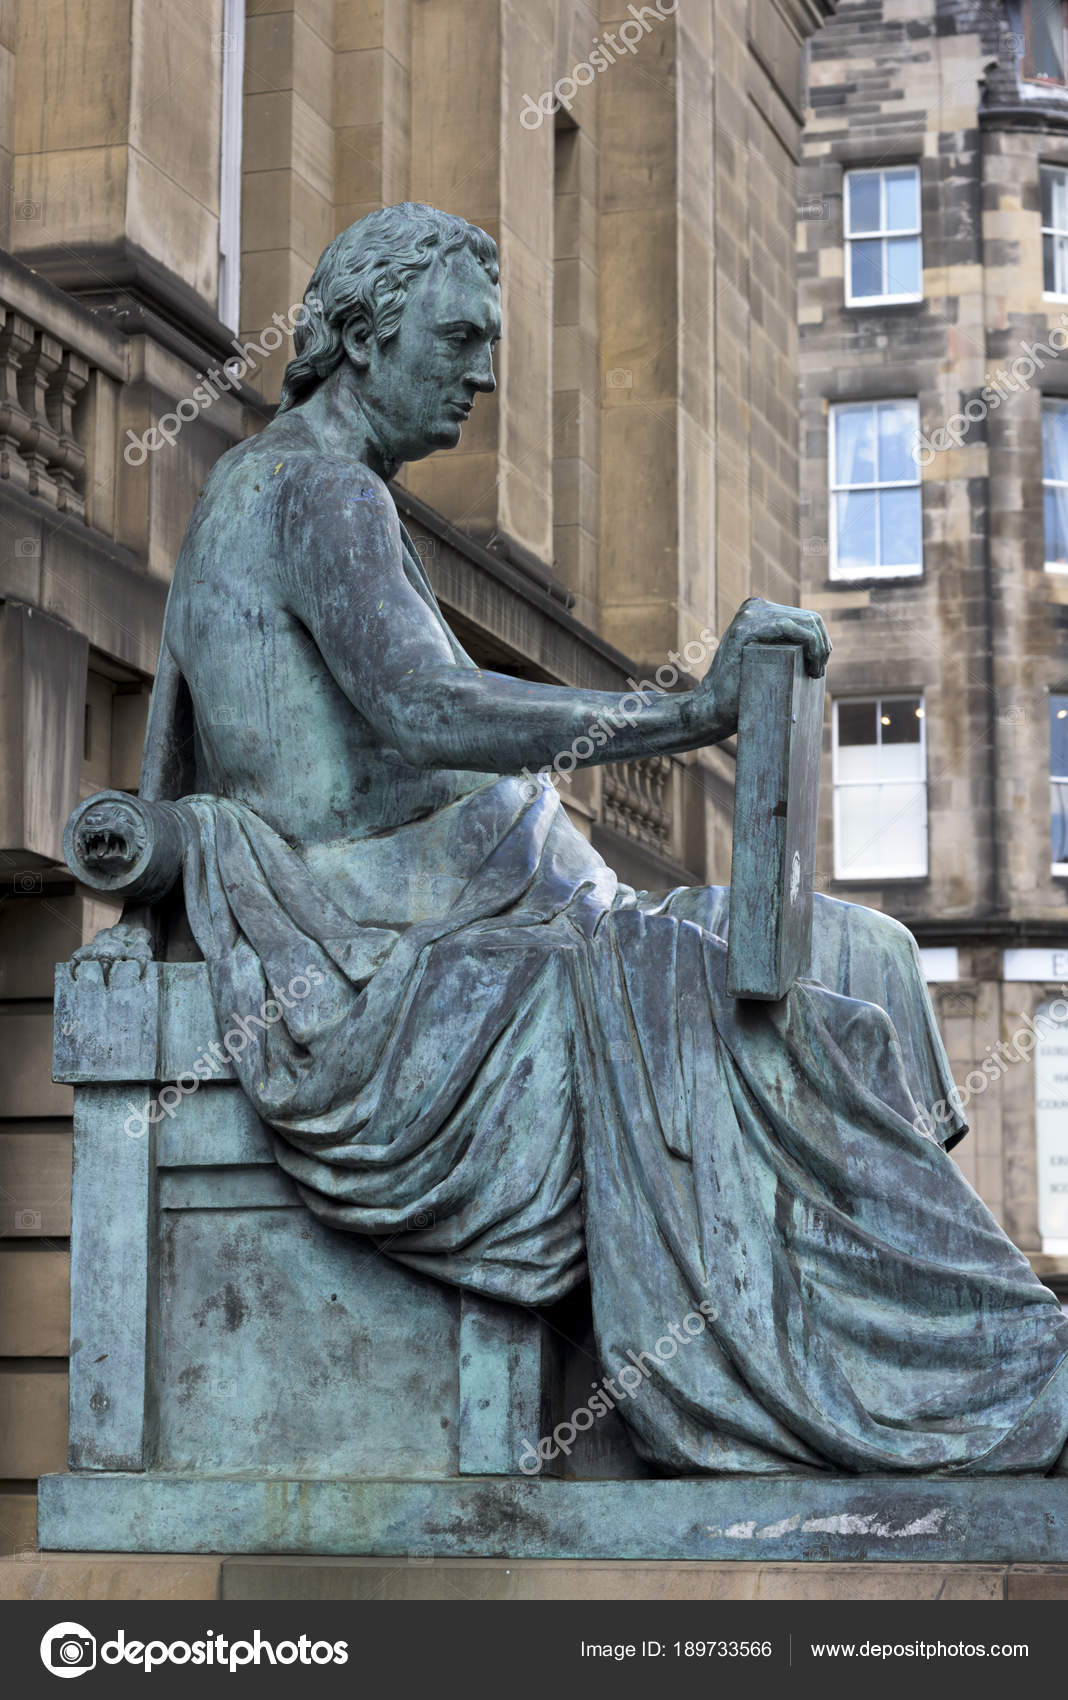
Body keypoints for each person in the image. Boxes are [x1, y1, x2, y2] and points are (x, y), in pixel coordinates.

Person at [81, 203, 1068, 1476]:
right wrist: (691, 712)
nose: (485, 372)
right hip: (394, 956)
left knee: (866, 949)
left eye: (488, 341)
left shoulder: (300, 489)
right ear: (364, 339)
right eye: (460, 337)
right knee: (780, 997)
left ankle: (920, 1348)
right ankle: (932, 1385)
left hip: (484, 913)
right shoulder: (315, 491)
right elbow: (427, 710)